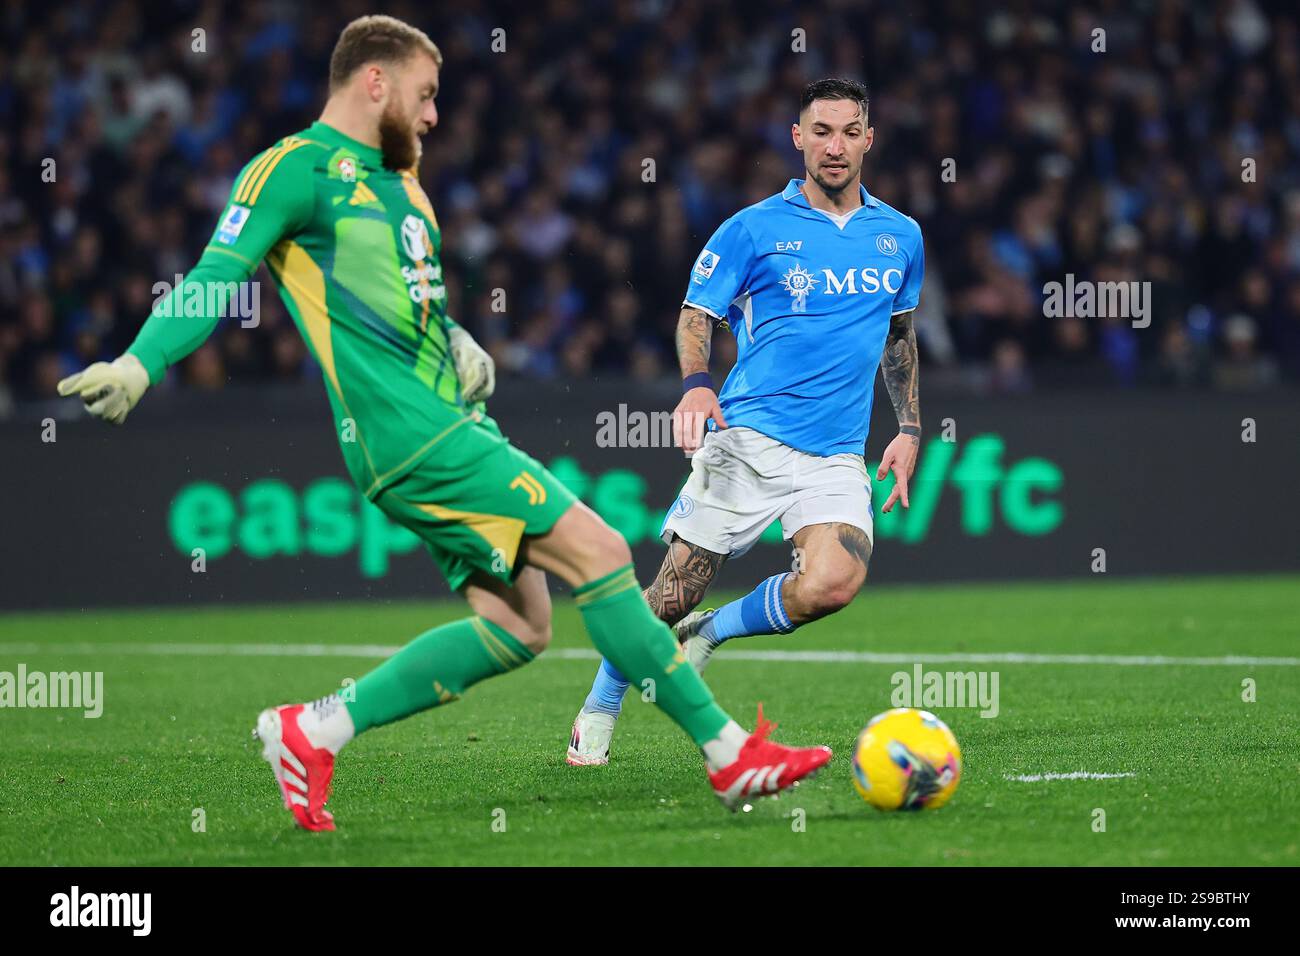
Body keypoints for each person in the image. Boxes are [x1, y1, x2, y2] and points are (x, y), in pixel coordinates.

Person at [57, 15, 831, 830]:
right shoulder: (294, 169)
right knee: (601, 552)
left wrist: (457, 340)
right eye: (425, 96)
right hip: (409, 433)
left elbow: (403, 304)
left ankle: (312, 729)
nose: (432, 116)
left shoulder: (403, 186)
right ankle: (728, 753)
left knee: (519, 626)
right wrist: (140, 361)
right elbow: (218, 275)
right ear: (375, 81)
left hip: (447, 421)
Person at [568, 78, 924, 767]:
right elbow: (695, 314)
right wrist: (698, 387)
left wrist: (908, 428)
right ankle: (600, 704)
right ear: (798, 137)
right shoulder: (753, 227)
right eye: (821, 131)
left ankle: (715, 632)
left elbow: (899, 335)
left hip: (835, 453)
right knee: (672, 591)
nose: (835, 146)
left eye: (850, 131)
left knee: (833, 583)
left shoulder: (900, 236)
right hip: (750, 439)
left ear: (869, 139)